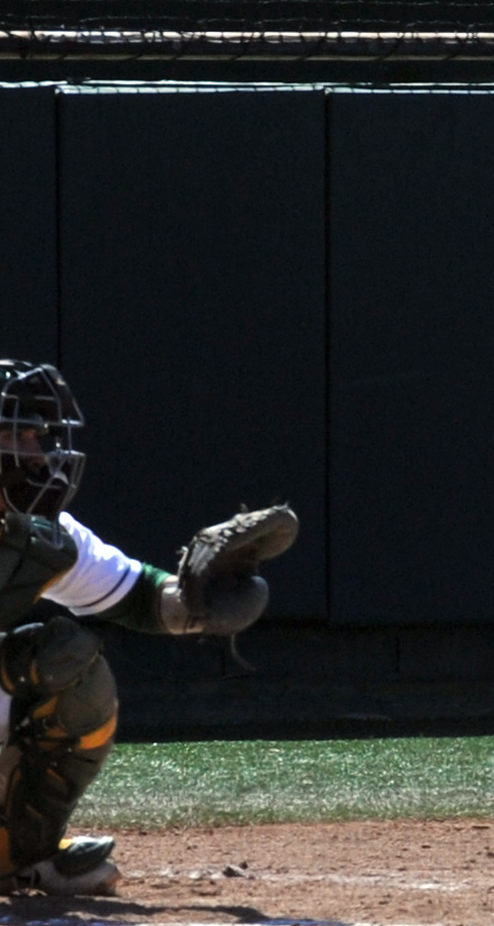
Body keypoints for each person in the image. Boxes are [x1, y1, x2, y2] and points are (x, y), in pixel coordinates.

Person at [0, 359, 295, 895]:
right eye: (14, 436)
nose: (37, 454)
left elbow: (140, 599)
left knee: (68, 663)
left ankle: (15, 852)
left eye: (36, 436)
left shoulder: (42, 537)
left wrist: (201, 599)